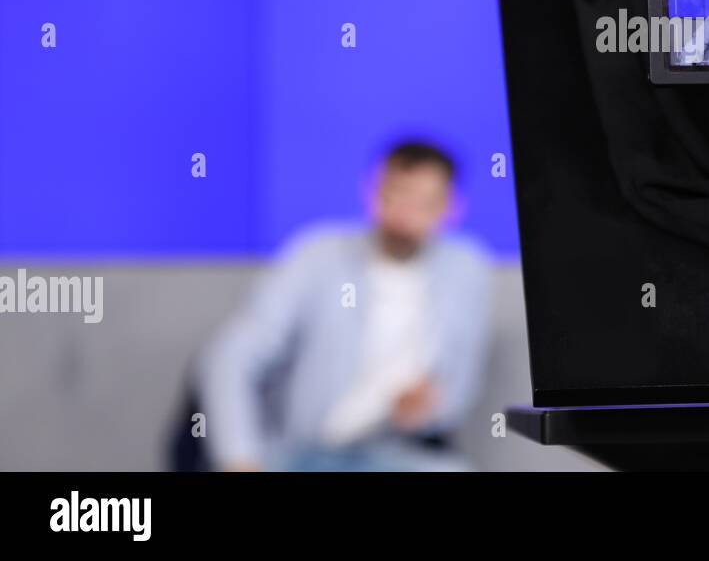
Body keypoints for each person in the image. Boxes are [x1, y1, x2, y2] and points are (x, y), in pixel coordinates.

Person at [197, 140, 494, 471]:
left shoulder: (466, 269)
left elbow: (459, 386)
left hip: (396, 451)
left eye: (424, 202)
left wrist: (429, 406)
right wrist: (239, 456)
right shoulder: (317, 255)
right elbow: (233, 357)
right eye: (396, 193)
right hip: (304, 451)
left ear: (450, 206)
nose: (406, 212)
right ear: (373, 189)